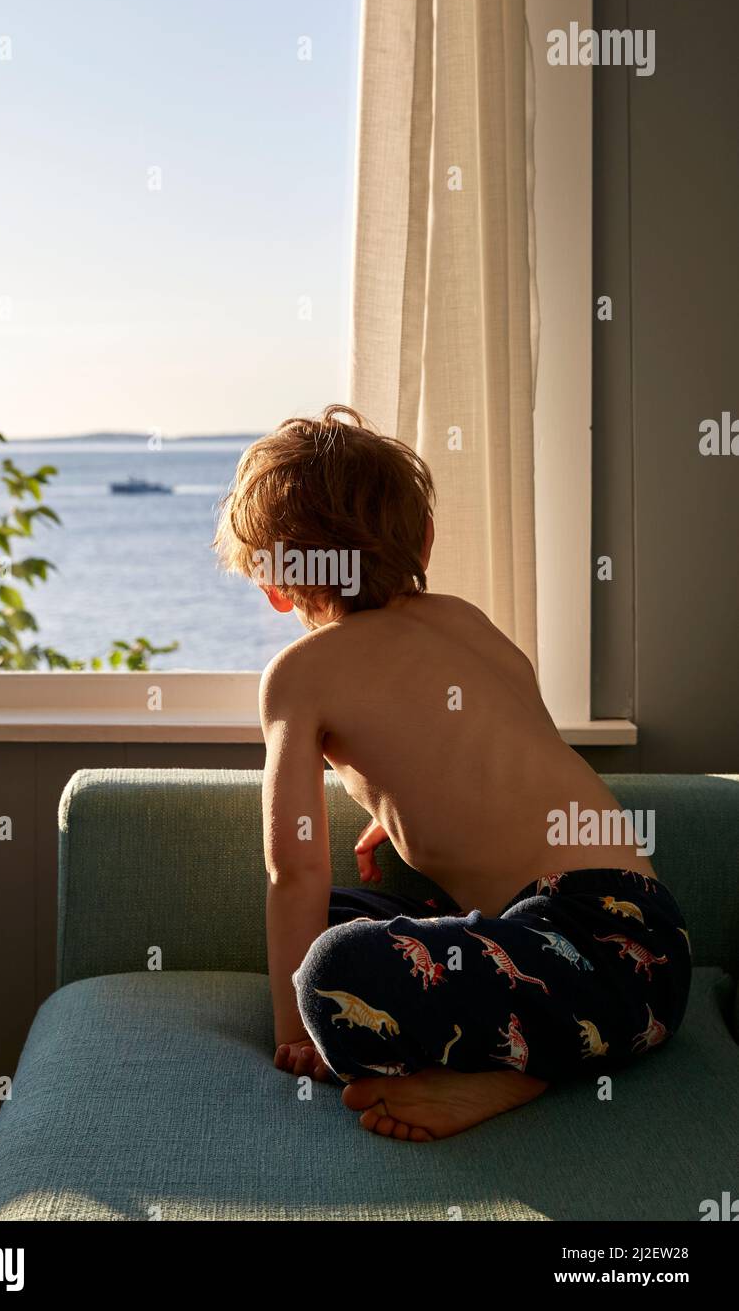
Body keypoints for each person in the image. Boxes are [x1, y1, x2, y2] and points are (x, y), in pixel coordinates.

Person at [213, 406, 691, 1141]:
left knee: (329, 970)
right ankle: (533, 1046)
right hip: (656, 954)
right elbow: (511, 751)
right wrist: (402, 808)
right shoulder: (465, 620)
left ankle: (512, 1076)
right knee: (337, 918)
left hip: (594, 955)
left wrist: (300, 1030)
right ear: (425, 538)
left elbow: (291, 870)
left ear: (275, 583)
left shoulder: (298, 675)